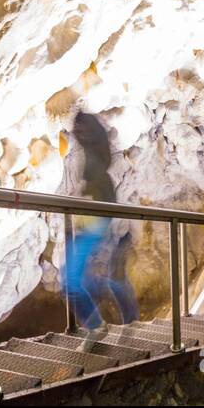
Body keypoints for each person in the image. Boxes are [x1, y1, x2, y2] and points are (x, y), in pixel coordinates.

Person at [63, 111, 139, 333]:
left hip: (99, 226)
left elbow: (101, 199)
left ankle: (99, 327)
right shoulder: (94, 159)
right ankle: (130, 325)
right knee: (109, 277)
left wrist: (82, 223)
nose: (78, 133)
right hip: (102, 226)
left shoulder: (95, 164)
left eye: (81, 129)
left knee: (77, 281)